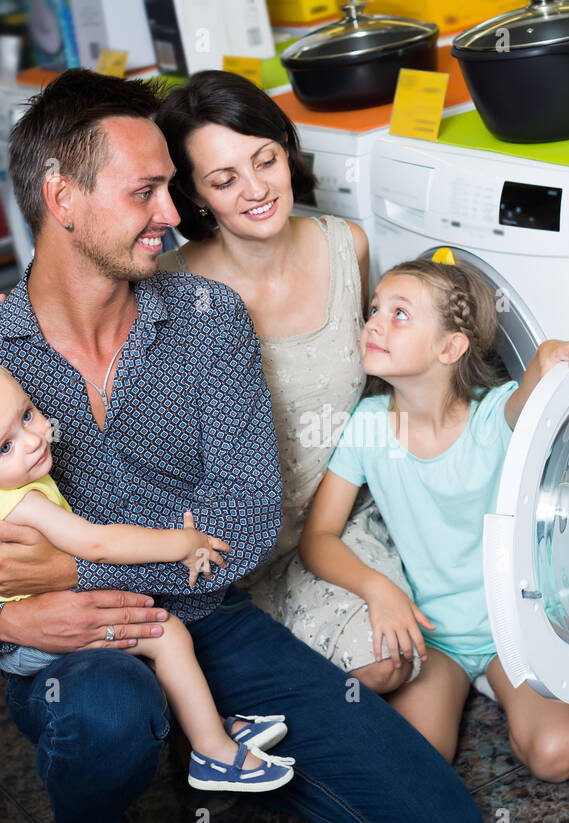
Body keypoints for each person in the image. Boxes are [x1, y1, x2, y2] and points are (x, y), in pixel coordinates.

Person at [0, 68, 483, 823]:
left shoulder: (210, 320)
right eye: (145, 192)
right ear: (62, 198)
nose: (173, 217)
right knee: (106, 713)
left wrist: (66, 568)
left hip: (215, 624)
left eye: (173, 190)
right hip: (81, 651)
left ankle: (202, 743)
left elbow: (243, 518)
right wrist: (7, 620)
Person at [0, 347, 294, 792]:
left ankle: (212, 724)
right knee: (169, 636)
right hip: (36, 634)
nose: (33, 440)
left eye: (26, 415)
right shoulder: (27, 503)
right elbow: (99, 546)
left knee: (153, 635)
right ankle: (213, 755)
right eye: (4, 447)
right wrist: (183, 542)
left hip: (8, 635)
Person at [155, 71, 422, 693]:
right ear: (193, 196)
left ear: (285, 148)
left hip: (338, 522)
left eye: (265, 160)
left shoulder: (343, 247)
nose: (256, 190)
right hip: (221, 546)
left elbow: (386, 386)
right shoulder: (165, 288)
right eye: (223, 180)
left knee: (384, 662)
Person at [299, 259, 569, 782]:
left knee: (557, 757)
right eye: (374, 310)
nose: (373, 323)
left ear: (450, 348)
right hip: (434, 636)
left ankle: (502, 685)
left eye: (398, 314)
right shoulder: (368, 428)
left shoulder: (494, 416)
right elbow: (317, 538)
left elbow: (531, 393)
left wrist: (553, 355)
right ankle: (473, 685)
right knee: (416, 765)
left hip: (521, 626)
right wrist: (380, 590)